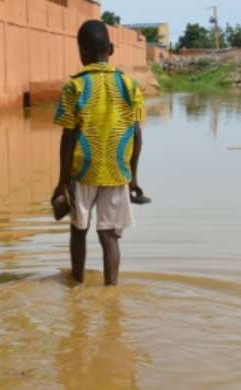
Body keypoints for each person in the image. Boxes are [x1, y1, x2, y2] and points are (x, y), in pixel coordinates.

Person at [52, 20, 145, 286]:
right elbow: (137, 135)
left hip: (82, 171)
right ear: (112, 49)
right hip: (117, 171)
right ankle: (111, 291)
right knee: (109, 237)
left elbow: (68, 137)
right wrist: (133, 178)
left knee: (78, 230)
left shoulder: (74, 87)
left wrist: (61, 181)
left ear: (81, 52)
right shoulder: (130, 86)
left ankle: (77, 286)